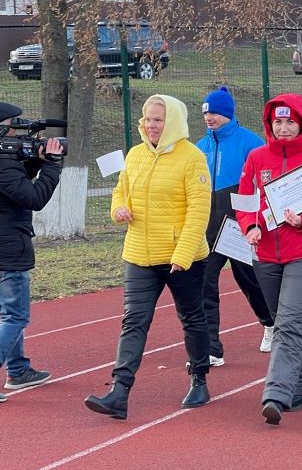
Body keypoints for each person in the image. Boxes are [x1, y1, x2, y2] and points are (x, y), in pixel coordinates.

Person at [85, 95, 213, 420]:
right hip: (139, 254)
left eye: (158, 119)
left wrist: (183, 254)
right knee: (133, 321)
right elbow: (120, 191)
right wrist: (118, 209)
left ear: (172, 122)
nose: (151, 125)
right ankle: (119, 391)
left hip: (181, 257)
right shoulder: (135, 154)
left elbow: (199, 213)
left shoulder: (192, 158)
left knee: (192, 318)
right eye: (147, 119)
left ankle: (199, 378)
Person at [237, 94, 302, 424]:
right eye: (277, 122)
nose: (283, 128)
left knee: (287, 323)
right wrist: (251, 226)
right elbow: (244, 201)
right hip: (265, 254)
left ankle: (277, 393)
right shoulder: (256, 158)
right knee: (287, 321)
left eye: (290, 122)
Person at [196, 86, 274, 365]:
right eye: (206, 112)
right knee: (204, 284)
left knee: (250, 281)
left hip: (241, 228)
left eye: (215, 112)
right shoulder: (199, 148)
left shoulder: (250, 143)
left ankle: (271, 323)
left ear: (228, 113)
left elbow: (264, 186)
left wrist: (256, 223)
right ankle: (211, 348)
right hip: (208, 231)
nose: (209, 117)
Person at [0, 102, 62, 403]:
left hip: (7, 247)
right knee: (15, 316)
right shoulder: (3, 164)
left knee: (6, 315)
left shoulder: (6, 162)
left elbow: (15, 186)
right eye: (14, 125)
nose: (19, 130)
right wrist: (52, 165)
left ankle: (18, 370)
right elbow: (33, 198)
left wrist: (36, 162)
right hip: (8, 252)